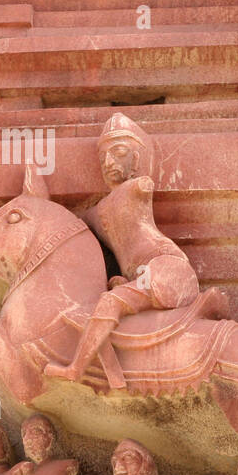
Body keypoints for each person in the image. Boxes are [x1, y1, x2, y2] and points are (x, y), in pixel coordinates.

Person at [45, 114, 200, 388]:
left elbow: (140, 189)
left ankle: (75, 369)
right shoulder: (98, 211)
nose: (107, 162)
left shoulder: (138, 187)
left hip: (169, 268)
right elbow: (73, 227)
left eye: (119, 152)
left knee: (108, 302)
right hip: (145, 275)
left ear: (138, 159)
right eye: (103, 155)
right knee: (111, 295)